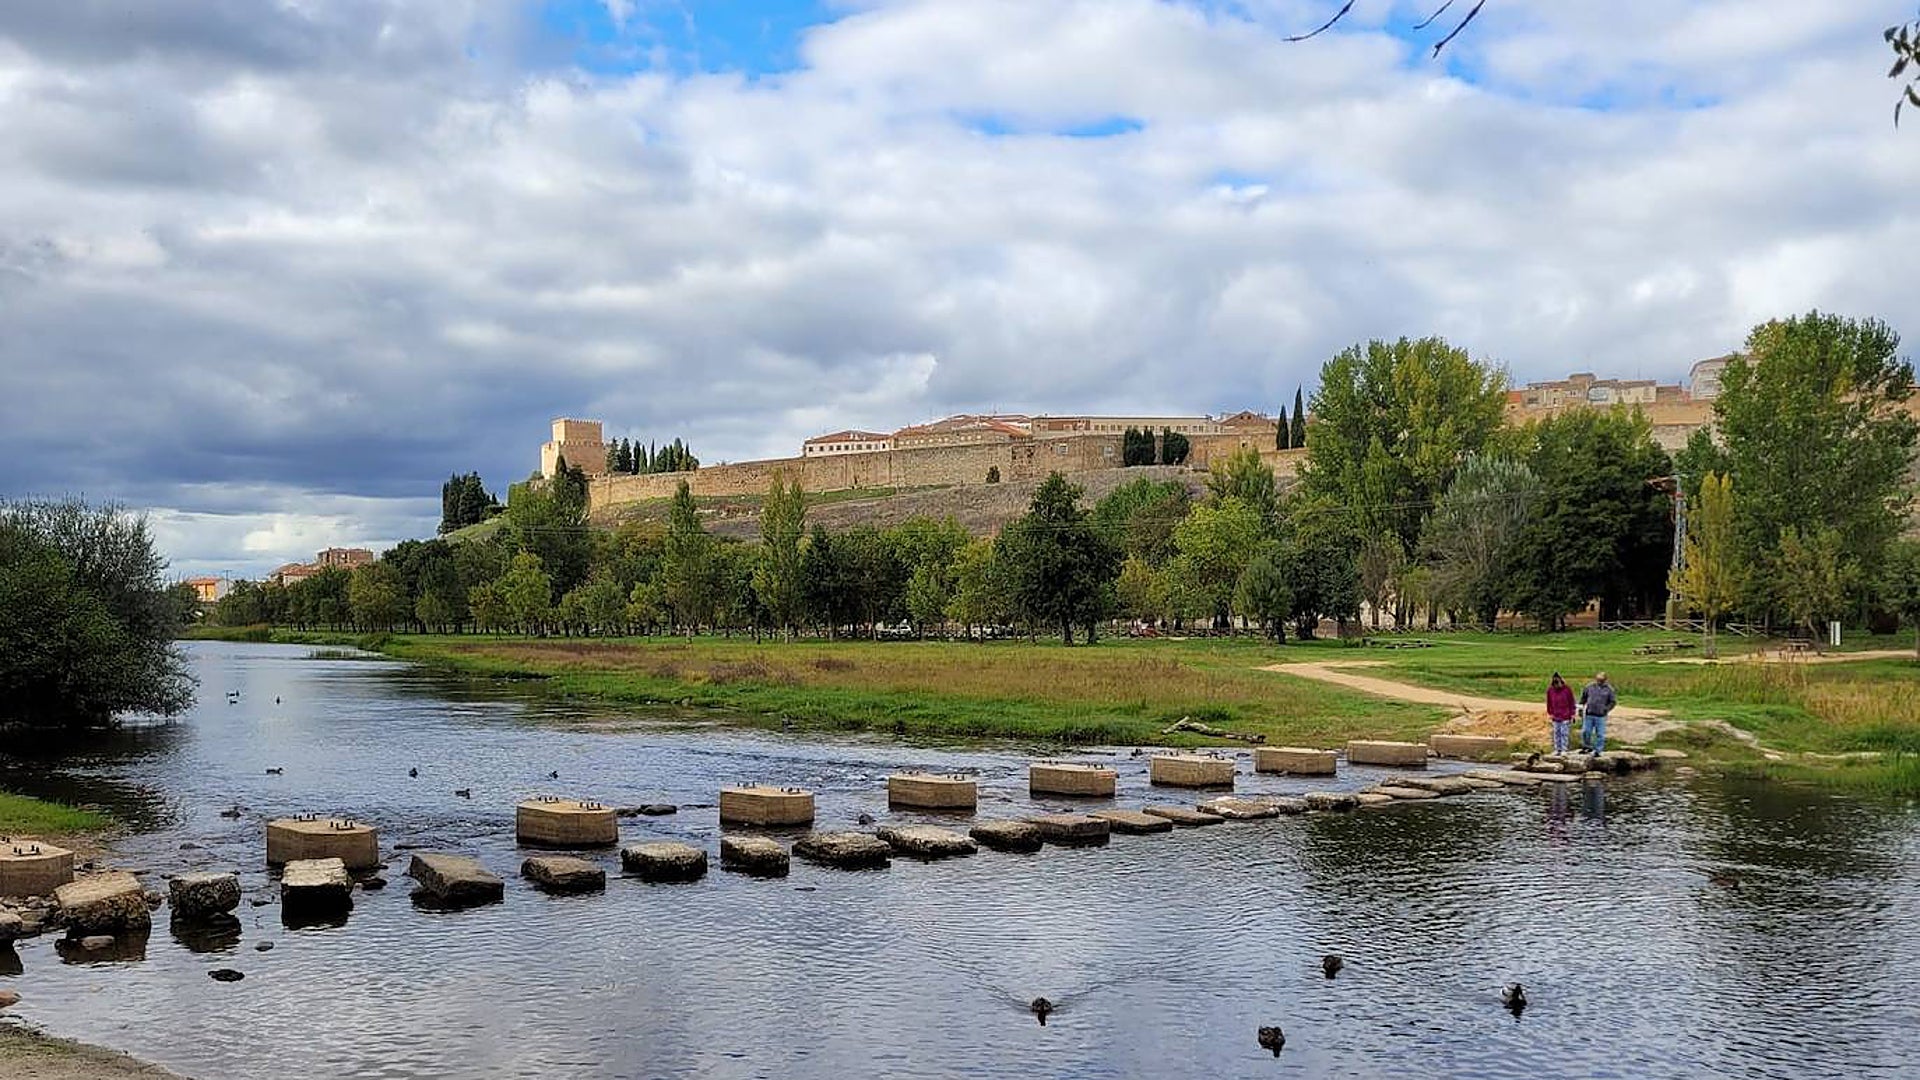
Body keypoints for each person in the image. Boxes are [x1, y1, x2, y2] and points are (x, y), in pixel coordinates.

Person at [1579, 671, 1616, 754]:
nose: (1599, 682)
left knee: (1600, 734)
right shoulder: (1589, 687)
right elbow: (1583, 699)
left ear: (1605, 680)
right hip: (1589, 713)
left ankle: (1598, 750)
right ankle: (1587, 747)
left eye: (1601, 680)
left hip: (1601, 715)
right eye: (1598, 680)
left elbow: (1612, 702)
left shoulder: (1609, 689)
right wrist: (1580, 709)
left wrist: (1606, 709)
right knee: (1585, 731)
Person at [1546, 673, 1576, 754]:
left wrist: (1572, 713)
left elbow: (1572, 702)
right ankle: (1557, 749)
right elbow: (1549, 702)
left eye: (1558, 684)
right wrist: (1550, 712)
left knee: (1564, 733)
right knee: (1556, 733)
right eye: (1555, 685)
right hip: (1555, 715)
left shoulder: (1567, 689)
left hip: (1566, 715)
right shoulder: (1550, 690)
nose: (1557, 686)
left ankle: (1564, 749)